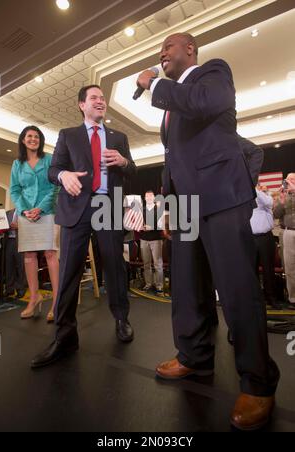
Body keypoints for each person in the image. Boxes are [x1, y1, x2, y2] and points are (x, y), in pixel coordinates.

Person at [137, 33, 279, 431]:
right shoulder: (171, 106)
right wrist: (167, 206)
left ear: (190, 50)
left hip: (220, 198)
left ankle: (258, 382)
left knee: (236, 290)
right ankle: (193, 355)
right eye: (160, 49)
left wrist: (154, 83)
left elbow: (206, 104)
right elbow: (172, 159)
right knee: (186, 288)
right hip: (184, 207)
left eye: (169, 46)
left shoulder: (213, 73)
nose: (162, 53)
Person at [31, 84, 136, 369]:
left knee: (115, 266)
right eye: (94, 98)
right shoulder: (68, 135)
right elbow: (53, 170)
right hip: (77, 207)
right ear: (82, 105)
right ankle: (65, 337)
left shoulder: (119, 137)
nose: (100, 102)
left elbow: (133, 169)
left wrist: (124, 160)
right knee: (69, 271)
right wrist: (64, 175)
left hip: (108, 206)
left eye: (103, 98)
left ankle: (121, 319)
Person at [10, 126, 59, 322]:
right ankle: (35, 297)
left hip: (47, 212)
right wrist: (24, 210)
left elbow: (55, 186)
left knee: (50, 254)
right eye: (29, 136)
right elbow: (14, 190)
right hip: (26, 214)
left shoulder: (49, 159)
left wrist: (41, 207)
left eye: (36, 136)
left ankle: (56, 301)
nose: (33, 139)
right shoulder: (17, 164)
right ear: (23, 140)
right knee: (29, 256)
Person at [250, 186, 278, 308]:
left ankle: (271, 298)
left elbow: (269, 202)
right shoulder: (247, 197)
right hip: (250, 238)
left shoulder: (264, 197)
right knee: (252, 271)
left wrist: (255, 189)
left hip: (265, 238)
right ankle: (256, 299)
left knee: (268, 270)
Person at [273, 173, 295, 310]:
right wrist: (280, 201)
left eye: (292, 179)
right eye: (288, 179)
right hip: (287, 232)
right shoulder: (283, 196)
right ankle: (293, 298)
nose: (289, 182)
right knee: (290, 267)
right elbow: (276, 214)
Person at [139, 190, 164, 294]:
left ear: (154, 198)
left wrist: (152, 227)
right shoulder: (142, 210)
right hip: (144, 239)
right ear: (144, 198)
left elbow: (163, 225)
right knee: (146, 264)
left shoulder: (159, 209)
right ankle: (148, 284)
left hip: (156, 240)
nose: (148, 198)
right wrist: (140, 226)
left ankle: (159, 286)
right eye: (146, 196)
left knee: (158, 264)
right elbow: (137, 222)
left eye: (150, 196)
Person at [4, 209, 26, 298]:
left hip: (20, 242)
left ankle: (21, 289)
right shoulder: (8, 213)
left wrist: (18, 226)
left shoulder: (26, 212)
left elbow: (30, 226)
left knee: (21, 267)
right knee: (9, 266)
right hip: (9, 241)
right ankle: (9, 289)